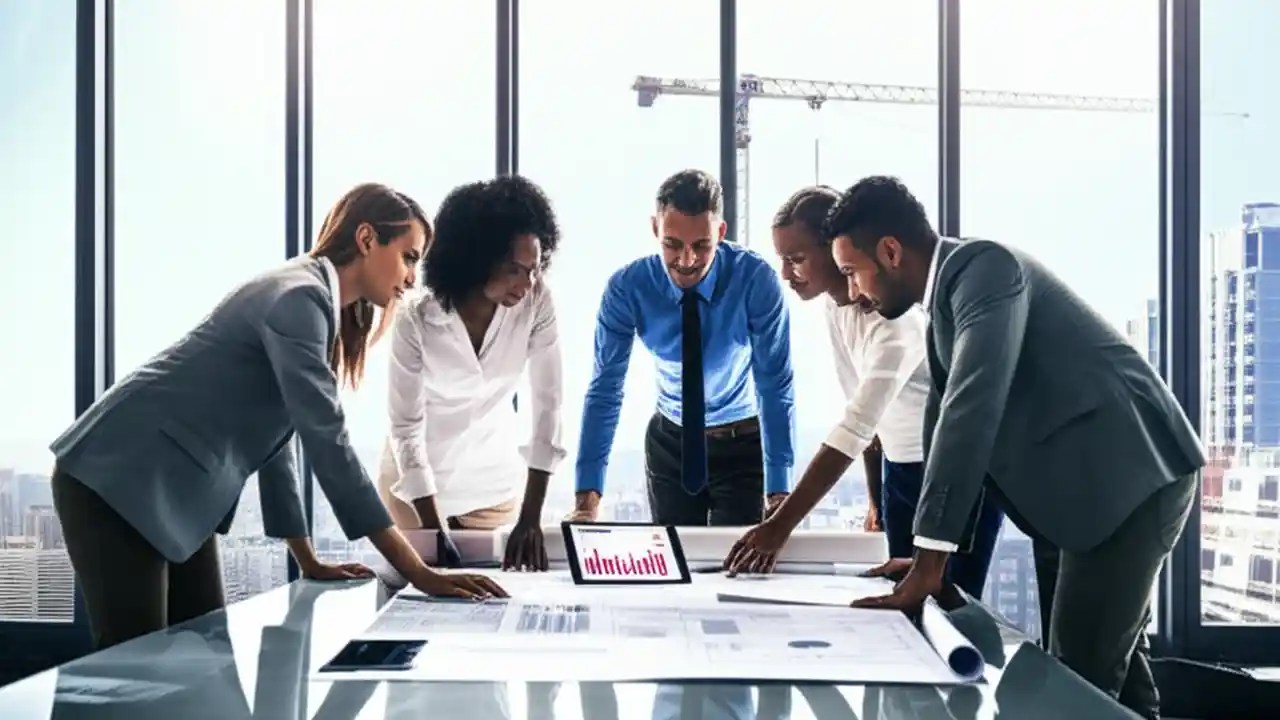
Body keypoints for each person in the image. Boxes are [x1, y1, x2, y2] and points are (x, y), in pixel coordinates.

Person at [48, 182, 507, 651]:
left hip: (177, 491)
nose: (412, 278)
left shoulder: (314, 303)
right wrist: (419, 573)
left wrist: (306, 557)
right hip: (117, 474)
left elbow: (277, 442)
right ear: (368, 240)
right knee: (135, 673)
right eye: (409, 256)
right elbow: (330, 445)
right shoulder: (298, 299)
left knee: (206, 660)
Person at [830, 176, 1204, 720]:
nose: (853, 292)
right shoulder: (946, 308)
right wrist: (926, 558)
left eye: (851, 272)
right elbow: (943, 425)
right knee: (1108, 689)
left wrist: (933, 564)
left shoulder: (985, 271)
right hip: (1082, 500)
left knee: (1077, 683)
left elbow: (970, 406)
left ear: (890, 251)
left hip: (1129, 480)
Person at [722, 186, 1003, 599]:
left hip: (949, 476)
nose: (785, 274)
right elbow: (864, 418)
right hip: (899, 471)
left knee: (950, 606)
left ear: (834, 250)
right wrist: (875, 500)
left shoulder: (897, 322)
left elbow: (853, 428)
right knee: (901, 605)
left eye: (796, 259)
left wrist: (779, 527)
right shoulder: (835, 307)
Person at [570, 169, 797, 527]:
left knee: (738, 566)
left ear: (720, 233)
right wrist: (587, 495)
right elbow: (605, 389)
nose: (687, 260)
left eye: (701, 245)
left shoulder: (755, 280)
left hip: (742, 446)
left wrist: (780, 489)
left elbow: (774, 385)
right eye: (673, 245)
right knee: (674, 564)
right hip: (670, 445)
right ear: (655, 230)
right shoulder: (628, 288)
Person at [377, 175, 565, 571]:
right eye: (515, 269)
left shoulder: (536, 302)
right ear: (477, 258)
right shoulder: (417, 319)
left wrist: (530, 518)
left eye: (534, 268)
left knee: (494, 605)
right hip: (414, 492)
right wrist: (432, 528)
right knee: (420, 603)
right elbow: (406, 429)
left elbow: (548, 409)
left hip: (492, 489)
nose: (527, 282)